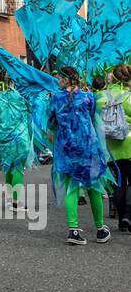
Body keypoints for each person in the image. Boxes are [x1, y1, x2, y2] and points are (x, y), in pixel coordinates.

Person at [47, 65, 112, 245]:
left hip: (66, 149)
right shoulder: (88, 97)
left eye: (60, 78)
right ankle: (100, 230)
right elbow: (92, 118)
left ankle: (74, 230)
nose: (58, 81)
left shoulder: (56, 99)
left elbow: (50, 121)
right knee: (93, 188)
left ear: (67, 79)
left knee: (72, 188)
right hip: (87, 148)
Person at [0, 77, 34, 213]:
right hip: (20, 136)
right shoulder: (21, 96)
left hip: (4, 136)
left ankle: (11, 200)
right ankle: (16, 202)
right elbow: (31, 110)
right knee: (18, 168)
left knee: (8, 167)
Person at [96, 63, 131, 233]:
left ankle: (121, 217)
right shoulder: (129, 96)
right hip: (130, 143)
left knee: (118, 182)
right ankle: (128, 216)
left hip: (111, 145)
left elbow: (95, 115)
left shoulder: (103, 96)